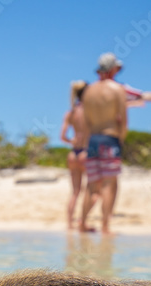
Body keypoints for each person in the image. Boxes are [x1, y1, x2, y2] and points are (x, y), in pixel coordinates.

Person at [78, 53, 128, 234]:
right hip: (110, 139)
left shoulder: (89, 91)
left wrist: (85, 146)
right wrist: (120, 140)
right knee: (109, 184)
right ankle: (106, 226)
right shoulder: (117, 90)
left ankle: (82, 223)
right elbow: (122, 119)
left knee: (91, 186)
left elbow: (86, 122)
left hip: (92, 140)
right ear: (113, 69)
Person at [60, 80, 89, 229]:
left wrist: (72, 140)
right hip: (86, 152)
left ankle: (69, 223)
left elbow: (62, 136)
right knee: (90, 190)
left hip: (73, 154)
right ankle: (83, 222)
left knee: (75, 192)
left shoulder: (70, 113)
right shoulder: (91, 111)